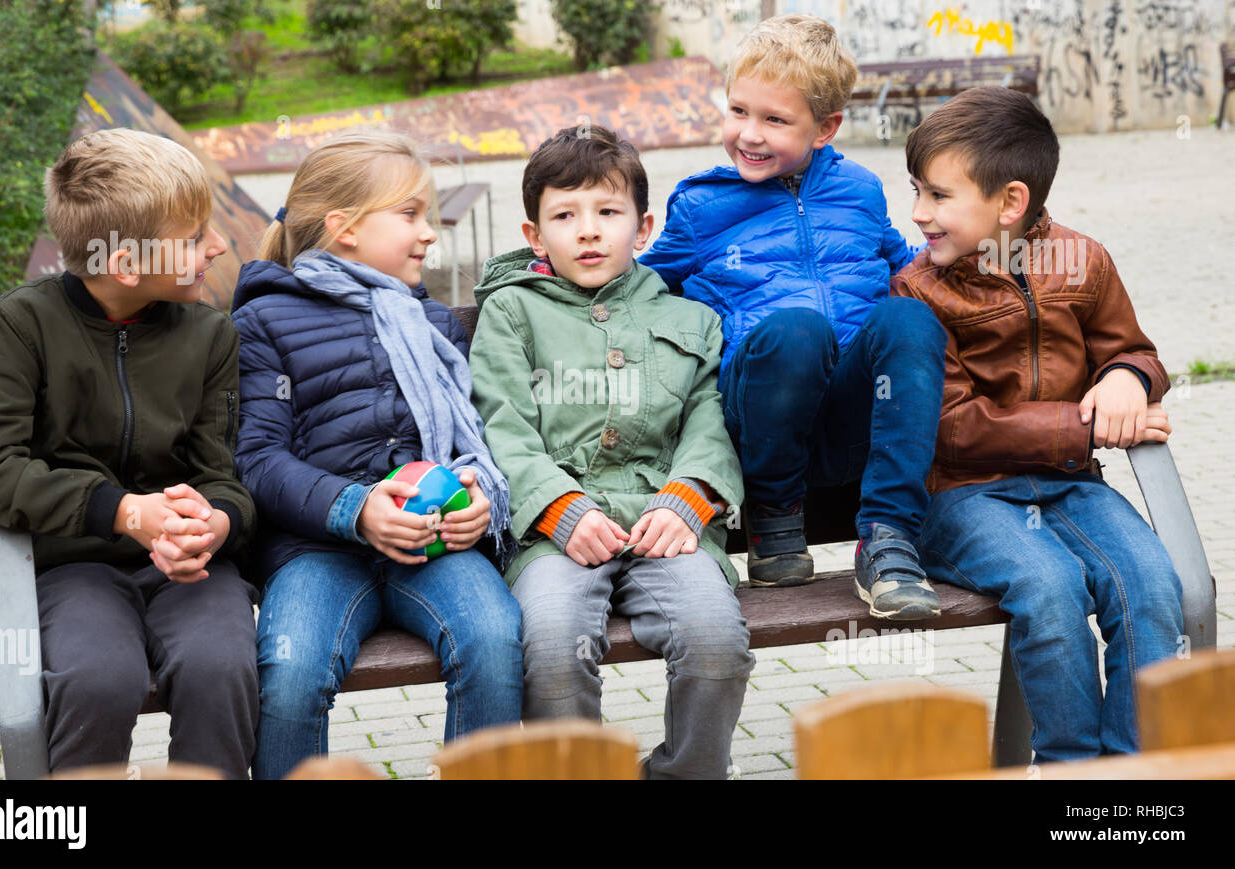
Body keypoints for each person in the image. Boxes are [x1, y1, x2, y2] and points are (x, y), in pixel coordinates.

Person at [893, 86, 1184, 762]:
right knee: (1049, 589)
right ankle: (1072, 778)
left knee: (1153, 585)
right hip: (963, 497)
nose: (917, 214)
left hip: (1071, 487)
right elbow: (954, 426)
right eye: (916, 191)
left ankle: (1130, 779)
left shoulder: (1083, 261)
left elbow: (1134, 349)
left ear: (1011, 203)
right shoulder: (919, 290)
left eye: (937, 195)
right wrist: (1081, 429)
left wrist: (1127, 378)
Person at [0, 128, 259, 778]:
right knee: (98, 679)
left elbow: (225, 476)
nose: (219, 245)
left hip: (190, 573)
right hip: (73, 571)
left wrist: (216, 523)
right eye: (193, 236)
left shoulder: (210, 335)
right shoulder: (20, 326)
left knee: (221, 667)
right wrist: (124, 512)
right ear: (125, 265)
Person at [231, 129, 523, 780]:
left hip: (433, 546)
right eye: (411, 215)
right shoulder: (266, 322)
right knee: (289, 669)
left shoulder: (433, 323)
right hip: (317, 550)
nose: (430, 234)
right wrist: (357, 508)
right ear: (345, 228)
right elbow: (257, 459)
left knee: (496, 640)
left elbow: (469, 438)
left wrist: (477, 497)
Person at [469, 124, 754, 780]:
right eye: (565, 216)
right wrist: (559, 509)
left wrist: (691, 496)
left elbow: (708, 422)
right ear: (535, 235)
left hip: (667, 524)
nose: (588, 231)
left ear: (644, 227)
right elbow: (502, 427)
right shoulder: (512, 313)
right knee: (549, 649)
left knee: (717, 644)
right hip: (555, 535)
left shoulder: (691, 318)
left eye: (607, 212)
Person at [640, 14, 946, 620]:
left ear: (826, 127)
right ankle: (774, 516)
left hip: (857, 419)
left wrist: (973, 247)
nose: (749, 134)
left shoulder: (858, 189)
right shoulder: (702, 207)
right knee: (797, 329)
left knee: (909, 321)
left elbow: (906, 266)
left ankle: (887, 537)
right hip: (764, 426)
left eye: (775, 120)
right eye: (738, 111)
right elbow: (639, 286)